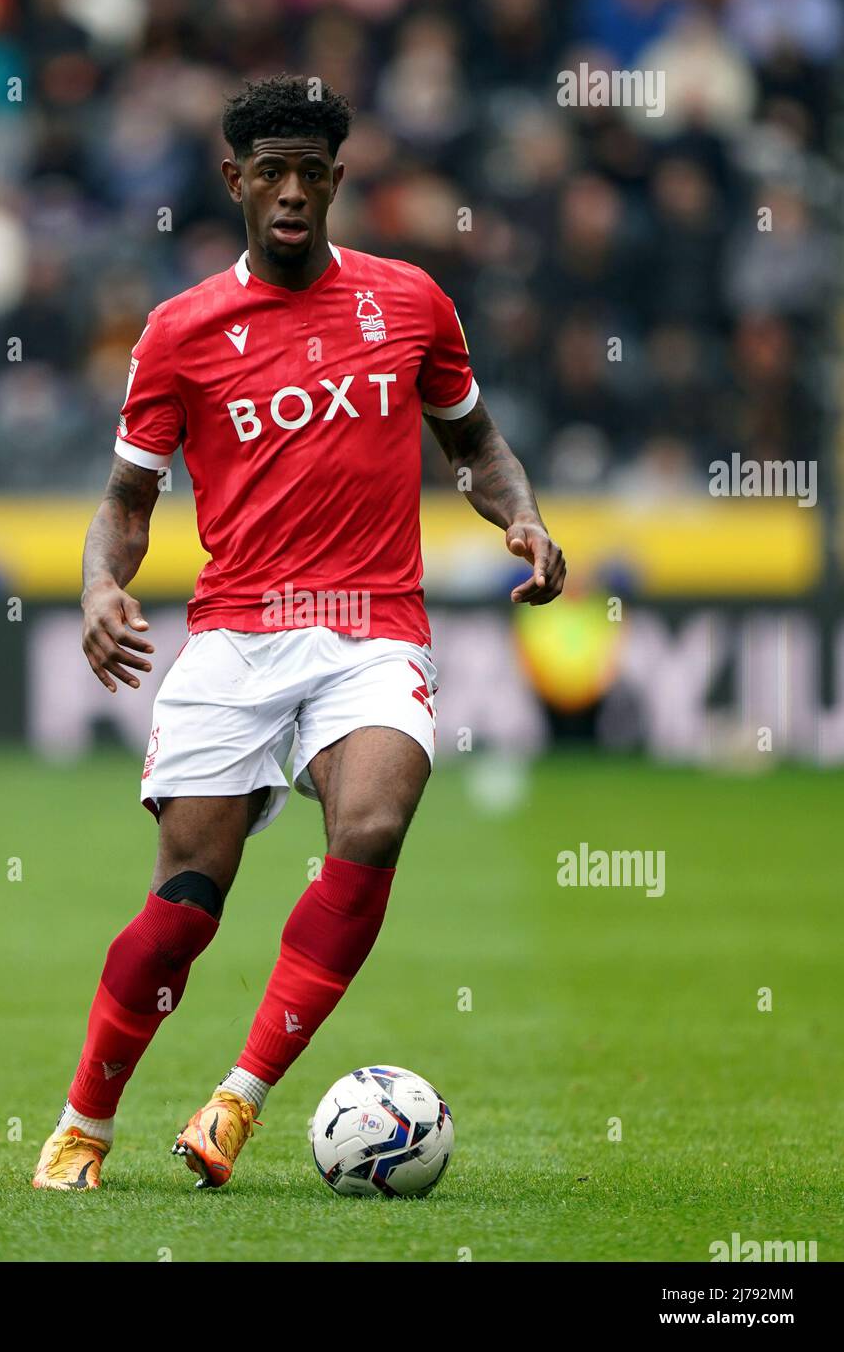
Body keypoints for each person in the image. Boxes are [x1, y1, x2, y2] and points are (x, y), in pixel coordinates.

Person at [33, 75, 565, 1191]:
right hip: (234, 636)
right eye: (267, 171)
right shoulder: (179, 332)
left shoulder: (410, 302)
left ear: (334, 182)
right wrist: (97, 587)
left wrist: (517, 513)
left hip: (373, 627)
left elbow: (475, 446)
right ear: (232, 180)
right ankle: (84, 1121)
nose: (288, 192)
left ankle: (237, 1099)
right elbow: (126, 507)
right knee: (186, 904)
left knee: (369, 824)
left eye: (309, 174)